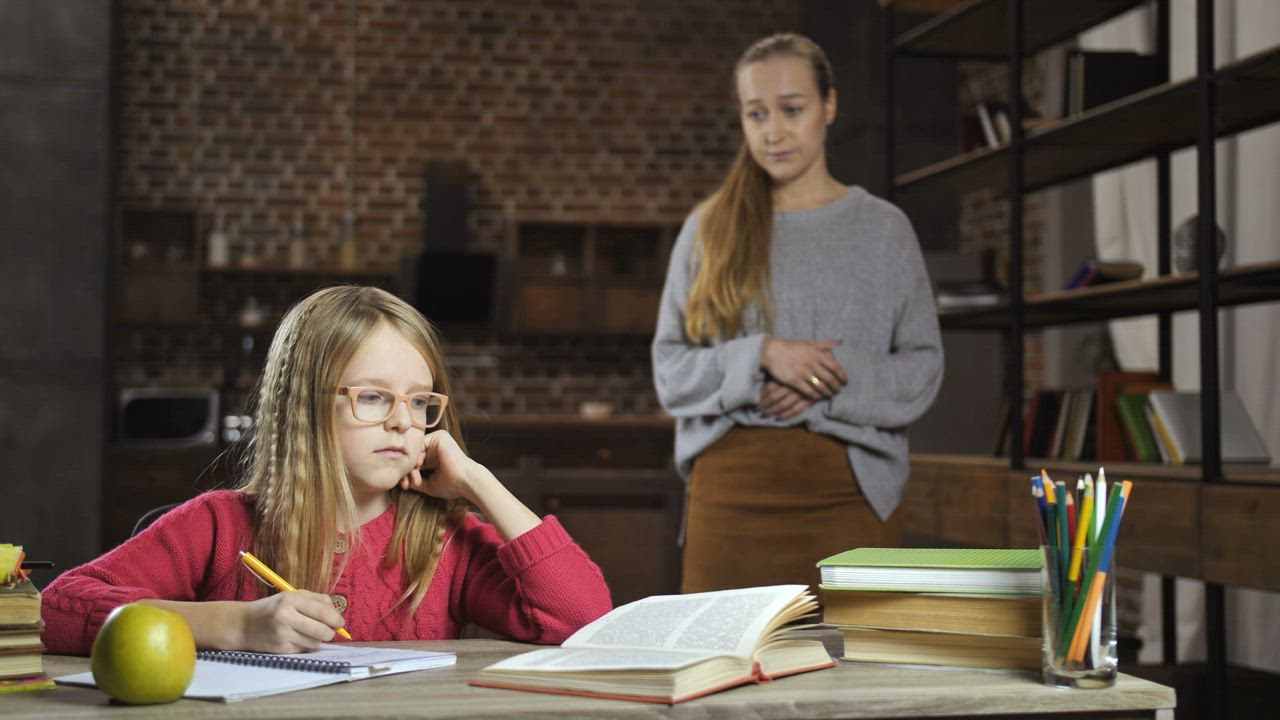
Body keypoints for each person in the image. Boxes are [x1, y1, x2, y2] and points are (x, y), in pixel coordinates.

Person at [43, 285, 612, 655]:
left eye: (419, 402)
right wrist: (236, 626)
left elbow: (582, 622)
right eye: (372, 397)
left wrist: (477, 482)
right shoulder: (219, 526)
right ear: (307, 405)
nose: (402, 423)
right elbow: (58, 610)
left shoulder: (440, 542)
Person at [651, 33, 943, 594]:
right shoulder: (708, 229)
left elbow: (922, 370)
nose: (773, 131)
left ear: (829, 106)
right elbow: (670, 372)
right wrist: (761, 355)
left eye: (792, 109)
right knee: (724, 673)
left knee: (855, 675)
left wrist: (822, 379)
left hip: (853, 496)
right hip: (730, 496)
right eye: (756, 113)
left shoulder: (884, 230)